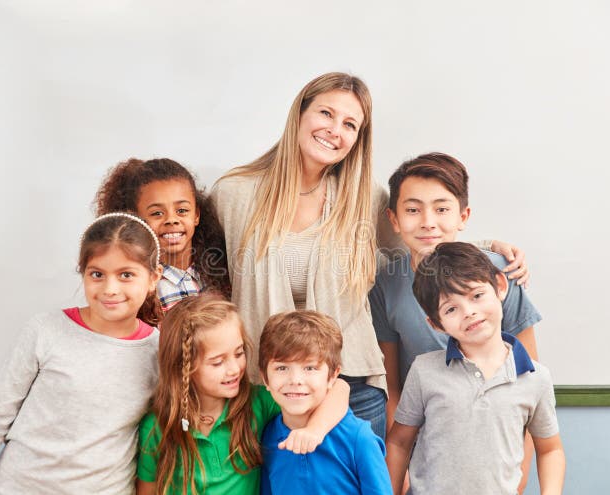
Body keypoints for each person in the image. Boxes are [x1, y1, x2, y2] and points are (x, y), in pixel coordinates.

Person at [210, 72, 527, 438]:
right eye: (326, 114)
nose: (334, 130)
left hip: (353, 383)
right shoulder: (234, 195)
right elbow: (203, 275)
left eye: (350, 124)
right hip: (262, 389)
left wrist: (487, 248)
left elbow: (423, 241)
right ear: (299, 114)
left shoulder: (364, 198)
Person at [0, 213, 164, 494]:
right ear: (83, 273)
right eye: (97, 274)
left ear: (153, 278)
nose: (110, 289)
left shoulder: (158, 350)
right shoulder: (46, 330)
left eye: (126, 275)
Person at [385, 242, 565, 495]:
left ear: (500, 287)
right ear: (436, 324)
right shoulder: (424, 371)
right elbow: (399, 442)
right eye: (451, 309)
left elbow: (550, 449)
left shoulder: (536, 378)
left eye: (477, 296)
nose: (469, 312)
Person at [136, 294, 349, 495]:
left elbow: (339, 388)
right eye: (217, 362)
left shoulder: (256, 403)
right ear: (183, 366)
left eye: (239, 353)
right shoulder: (157, 427)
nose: (234, 369)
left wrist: (314, 430)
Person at [258, 310, 391, 495]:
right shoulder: (268, 437)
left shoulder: (359, 438)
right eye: (282, 368)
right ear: (265, 378)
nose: (295, 380)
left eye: (310, 368)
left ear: (333, 376)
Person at [96, 157, 230, 311]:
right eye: (157, 213)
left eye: (182, 211)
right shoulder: (138, 287)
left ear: (196, 215)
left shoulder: (218, 273)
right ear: (136, 220)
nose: (171, 220)